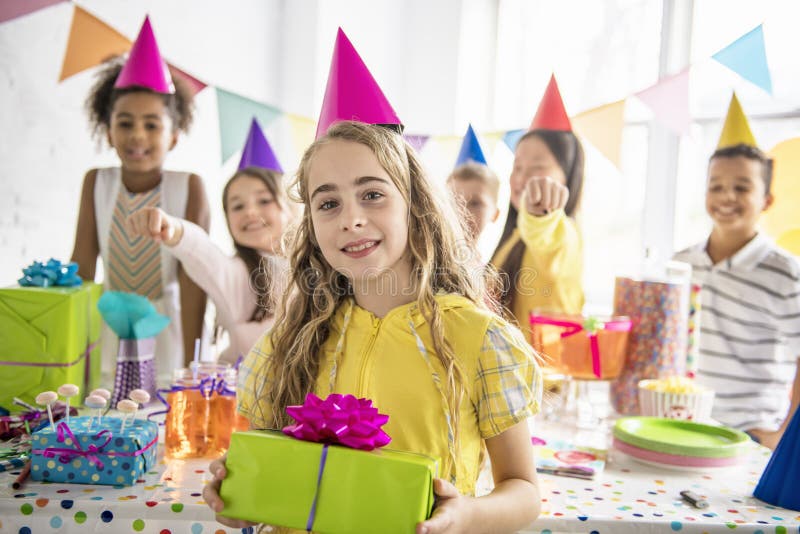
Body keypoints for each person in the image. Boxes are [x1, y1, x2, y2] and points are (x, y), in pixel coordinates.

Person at [204, 120, 543, 533]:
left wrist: (467, 515)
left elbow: (523, 490)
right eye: (328, 203)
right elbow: (265, 480)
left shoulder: (479, 339)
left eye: (372, 195)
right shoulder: (287, 345)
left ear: (414, 205)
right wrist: (239, 496)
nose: (351, 219)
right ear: (310, 223)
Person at [70, 17, 209, 379]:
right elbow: (82, 269)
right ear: (108, 129)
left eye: (152, 124)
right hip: (106, 331)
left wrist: (191, 367)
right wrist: (68, 346)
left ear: (175, 135)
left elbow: (193, 282)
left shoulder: (189, 187)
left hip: (168, 334)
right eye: (125, 123)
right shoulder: (96, 183)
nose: (137, 136)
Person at [673, 93, 800, 450]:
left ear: (767, 201)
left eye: (741, 187)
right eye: (716, 186)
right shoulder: (682, 263)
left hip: (752, 432)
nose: (726, 196)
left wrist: (785, 434)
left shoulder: (786, 272)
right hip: (686, 423)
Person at [127, 166, 292, 363]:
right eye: (238, 206)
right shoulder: (238, 273)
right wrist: (174, 230)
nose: (250, 211)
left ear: (291, 207)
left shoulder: (315, 265)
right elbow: (202, 254)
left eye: (264, 200)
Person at [491, 74, 585, 337]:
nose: (521, 178)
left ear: (566, 177)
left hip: (544, 377)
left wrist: (540, 215)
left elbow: (547, 237)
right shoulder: (513, 239)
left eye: (537, 168)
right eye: (517, 167)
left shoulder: (563, 234)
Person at [447, 124, 501, 244]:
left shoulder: (498, 260)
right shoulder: (426, 259)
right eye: (454, 201)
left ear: (495, 214)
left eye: (475, 203)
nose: (463, 212)